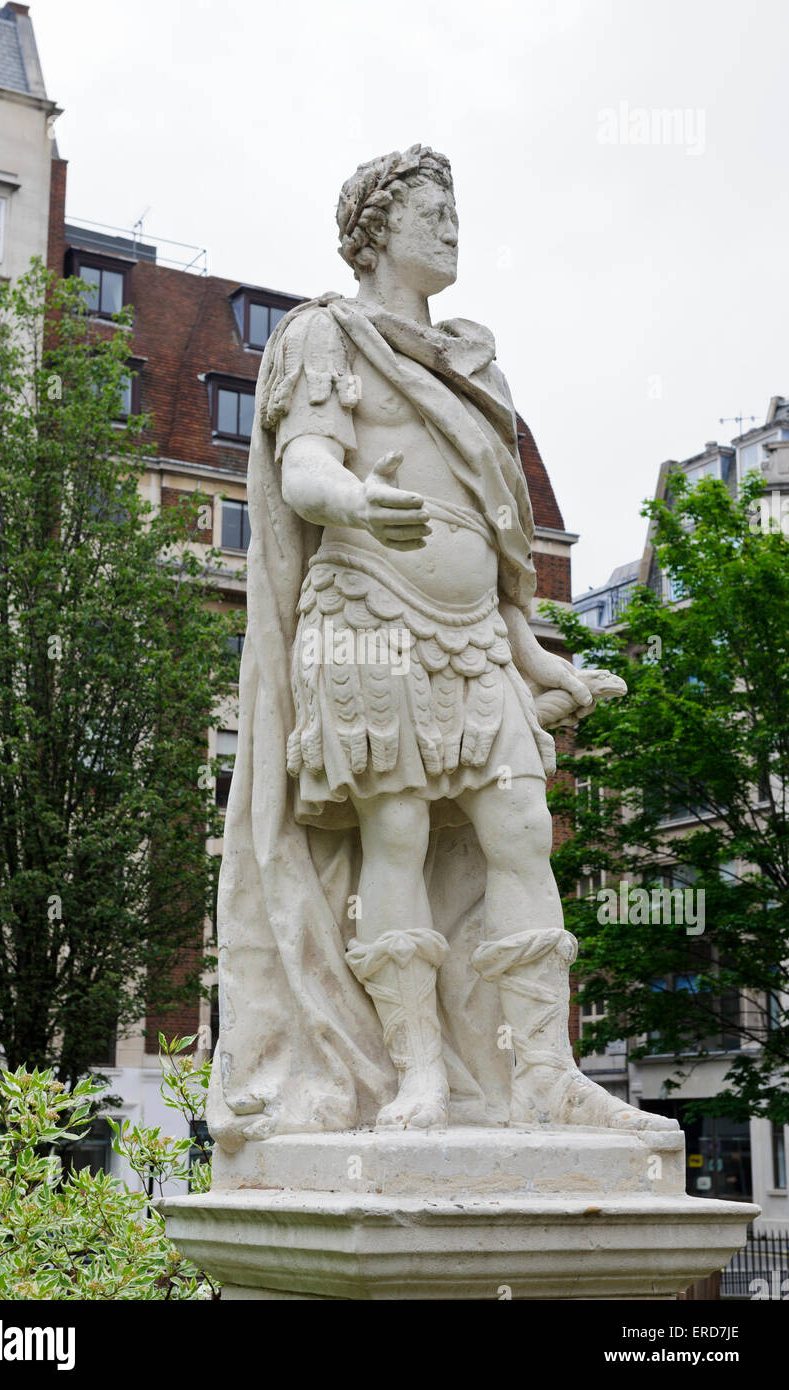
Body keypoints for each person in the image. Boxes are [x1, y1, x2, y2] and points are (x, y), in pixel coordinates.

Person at [207, 145, 675, 1149]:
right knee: (398, 836)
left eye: (456, 209)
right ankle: (414, 1069)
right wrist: (358, 504)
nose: (453, 227)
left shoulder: (473, 366)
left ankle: (543, 1073)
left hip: (474, 640)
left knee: (517, 827)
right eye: (431, 209)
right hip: (366, 615)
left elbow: (501, 547)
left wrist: (535, 653)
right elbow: (306, 470)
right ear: (376, 227)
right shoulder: (322, 335)